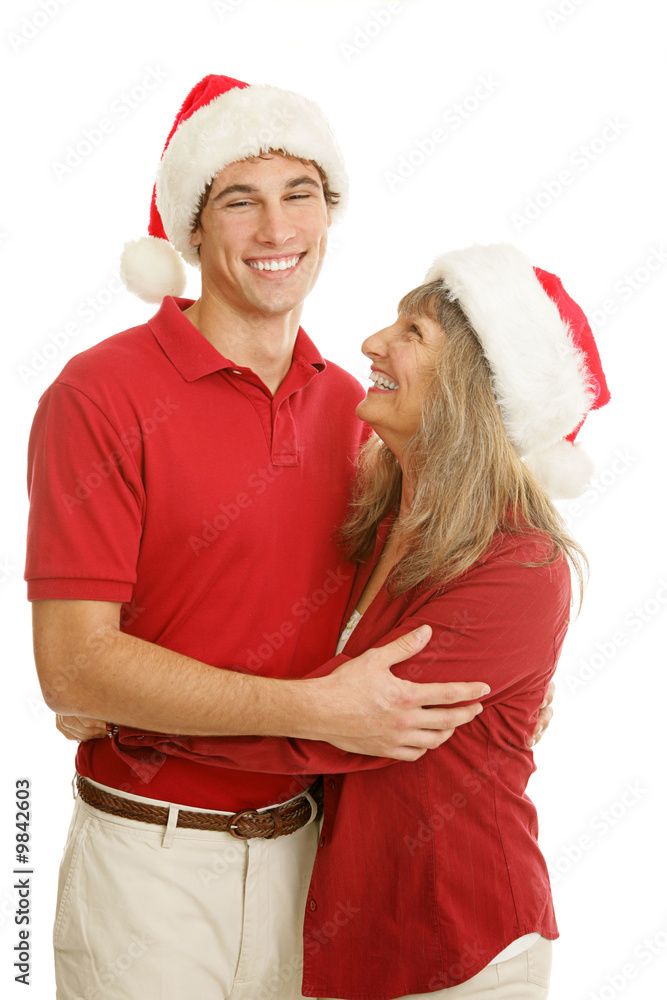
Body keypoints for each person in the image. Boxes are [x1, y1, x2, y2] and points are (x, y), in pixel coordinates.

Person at [26, 74, 507, 1000]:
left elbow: (409, 591)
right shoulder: (99, 394)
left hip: (313, 857)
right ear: (192, 227)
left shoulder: (356, 407)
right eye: (240, 200)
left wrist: (515, 679)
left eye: (301, 194)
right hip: (151, 870)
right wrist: (311, 709)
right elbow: (74, 670)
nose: (277, 229)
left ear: (330, 212)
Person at [97, 242, 610, 999]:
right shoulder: (374, 521)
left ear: (470, 388)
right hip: (347, 936)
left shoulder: (519, 564)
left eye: (412, 333)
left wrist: (130, 709)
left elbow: (335, 727)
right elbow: (297, 672)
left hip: (461, 947)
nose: (372, 342)